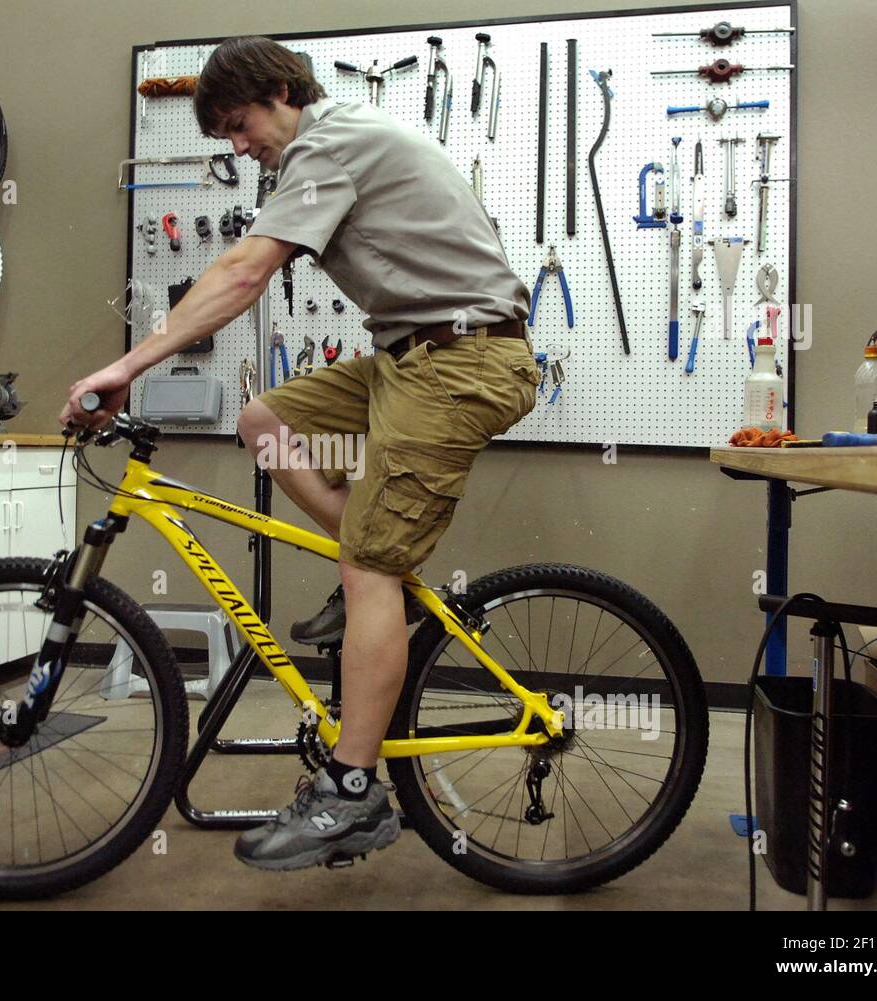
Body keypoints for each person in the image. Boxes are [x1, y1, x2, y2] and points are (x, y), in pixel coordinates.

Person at [60, 36, 541, 871]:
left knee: (369, 566)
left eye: (240, 125)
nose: (238, 146)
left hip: (464, 360)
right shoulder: (315, 153)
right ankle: (380, 580)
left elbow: (246, 270)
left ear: (284, 91)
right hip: (409, 358)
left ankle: (353, 791)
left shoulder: (332, 140)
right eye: (226, 139)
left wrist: (130, 364)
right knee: (264, 420)